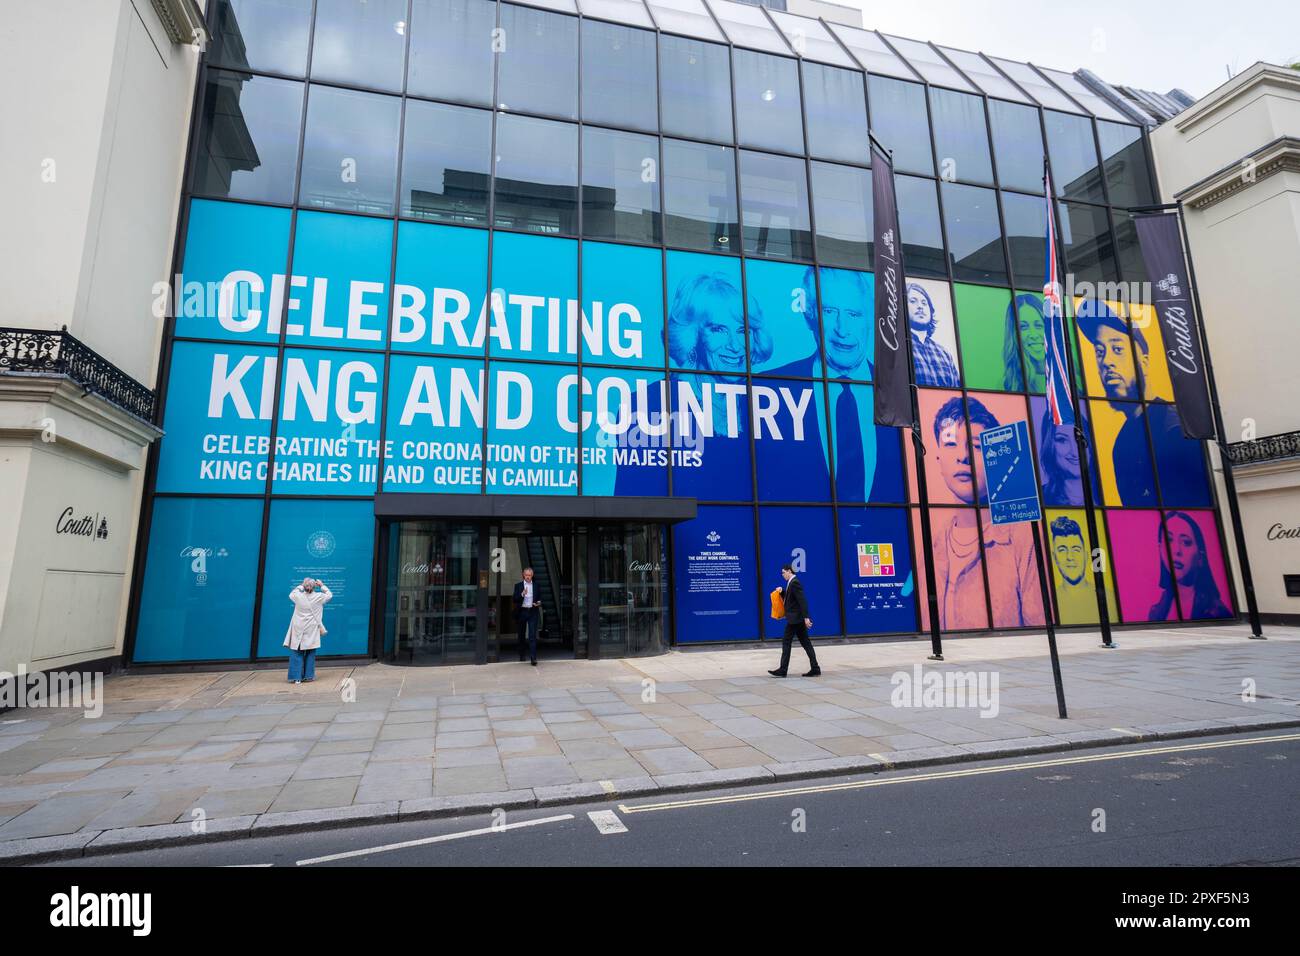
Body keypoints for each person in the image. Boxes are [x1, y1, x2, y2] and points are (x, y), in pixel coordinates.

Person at [768, 267, 889, 503]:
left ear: (870, 320)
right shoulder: (770, 388)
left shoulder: (897, 393)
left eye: (853, 314)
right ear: (809, 316)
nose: (842, 329)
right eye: (830, 311)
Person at [929, 396, 1044, 629]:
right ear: (938, 458)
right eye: (950, 444)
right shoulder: (934, 545)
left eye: (976, 446)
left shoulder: (1020, 538)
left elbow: (1038, 626)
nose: (962, 456)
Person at [1150, 511, 1232, 620]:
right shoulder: (1156, 611)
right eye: (1169, 540)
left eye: (1185, 542)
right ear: (1160, 548)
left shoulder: (1216, 613)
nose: (1176, 550)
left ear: (1200, 557)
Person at [769, 563, 820, 678]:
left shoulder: (795, 582)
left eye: (783, 572)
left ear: (789, 571)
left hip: (795, 620)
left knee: (786, 642)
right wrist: (782, 592)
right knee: (806, 643)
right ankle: (815, 668)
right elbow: (791, 599)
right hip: (797, 619)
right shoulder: (791, 583)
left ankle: (783, 669)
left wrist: (806, 618)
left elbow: (802, 601)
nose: (782, 575)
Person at [906, 282, 961, 388]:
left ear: (931, 311)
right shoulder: (897, 347)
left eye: (924, 303)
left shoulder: (944, 353)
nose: (920, 307)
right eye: (913, 301)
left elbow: (957, 395)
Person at [1048, 515, 1098, 623]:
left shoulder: (1108, 598)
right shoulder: (1050, 602)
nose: (1070, 557)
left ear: (1086, 555)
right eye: (1062, 550)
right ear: (1054, 557)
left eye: (1076, 549)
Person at [284, 577, 331, 684]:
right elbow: (330, 595)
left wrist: (301, 585)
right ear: (314, 587)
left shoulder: (297, 596)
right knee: (310, 651)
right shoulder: (319, 597)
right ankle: (308, 676)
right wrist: (322, 585)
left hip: (298, 627)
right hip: (312, 628)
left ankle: (296, 677)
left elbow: (292, 593)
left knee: (297, 651)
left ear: (304, 587)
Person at [1003, 295, 1046, 393]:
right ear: (1013, 334)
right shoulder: (1008, 384)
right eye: (1023, 327)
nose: (1033, 335)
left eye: (1038, 325)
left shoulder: (1072, 378)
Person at [512, 566, 542, 665]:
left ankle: (533, 658)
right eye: (526, 575)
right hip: (522, 612)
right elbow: (515, 599)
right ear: (523, 575)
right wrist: (522, 594)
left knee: (532, 635)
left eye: (529, 575)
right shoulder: (518, 586)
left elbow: (540, 598)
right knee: (521, 635)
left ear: (532, 575)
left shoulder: (537, 585)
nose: (528, 577)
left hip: (532, 611)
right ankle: (522, 655)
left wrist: (538, 603)